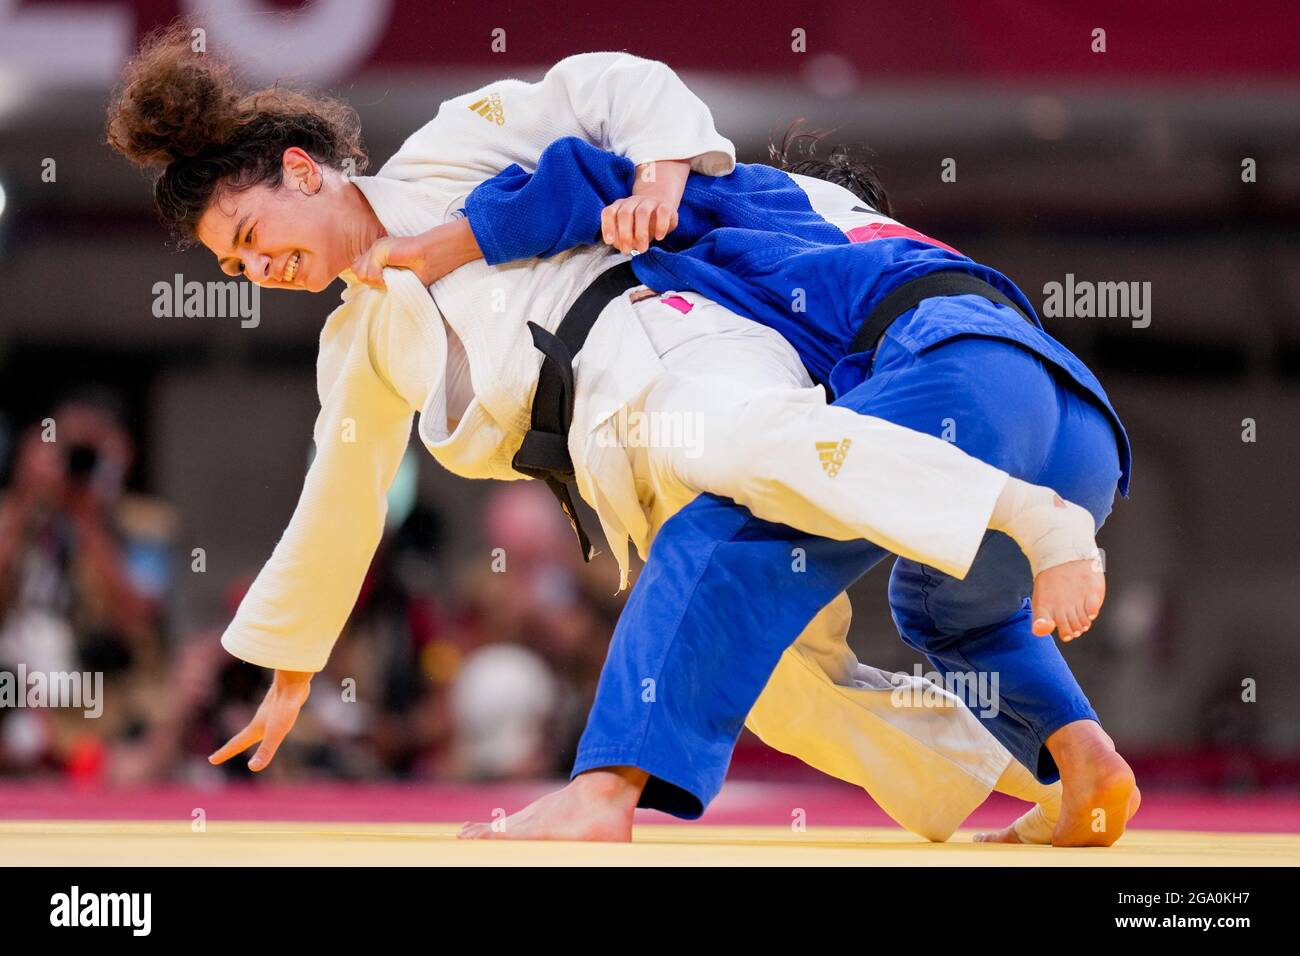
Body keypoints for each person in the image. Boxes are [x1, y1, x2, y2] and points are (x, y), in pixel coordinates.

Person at [105, 27, 1102, 842]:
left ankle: (1033, 517)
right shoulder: (357, 340)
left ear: (300, 172)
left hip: (662, 342)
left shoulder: (451, 149)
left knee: (748, 438)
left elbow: (603, 83)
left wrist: (664, 170)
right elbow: (342, 493)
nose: (257, 269)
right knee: (783, 680)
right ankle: (1018, 767)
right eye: (236, 269)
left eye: (249, 238)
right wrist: (288, 666)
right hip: (605, 466)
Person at [386, 133, 1138, 845]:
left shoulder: (752, 190)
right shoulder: (883, 238)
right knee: (951, 611)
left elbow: (588, 174)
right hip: (1077, 418)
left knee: (720, 537)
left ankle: (602, 790)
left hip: (955, 371)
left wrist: (440, 243)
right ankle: (1086, 765)